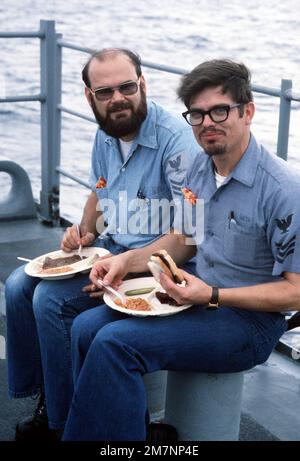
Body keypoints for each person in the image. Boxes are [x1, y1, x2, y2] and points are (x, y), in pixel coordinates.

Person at [62, 59, 300, 441]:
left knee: (114, 343)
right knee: (87, 327)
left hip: (248, 323)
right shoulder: (199, 171)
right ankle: (127, 431)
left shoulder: (284, 190)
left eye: (220, 110)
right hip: (198, 298)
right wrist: (125, 261)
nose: (208, 123)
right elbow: (184, 239)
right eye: (198, 114)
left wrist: (213, 294)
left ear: (248, 111)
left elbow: (296, 290)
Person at [4, 48, 199, 440]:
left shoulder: (177, 141)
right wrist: (83, 230)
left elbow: (188, 239)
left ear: (143, 85)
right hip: (111, 246)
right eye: (105, 91)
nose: (118, 99)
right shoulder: (105, 130)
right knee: (18, 285)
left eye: (127, 87)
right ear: (89, 97)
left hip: (158, 260)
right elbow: (100, 188)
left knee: (51, 301)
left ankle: (60, 423)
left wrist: (126, 261)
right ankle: (46, 394)